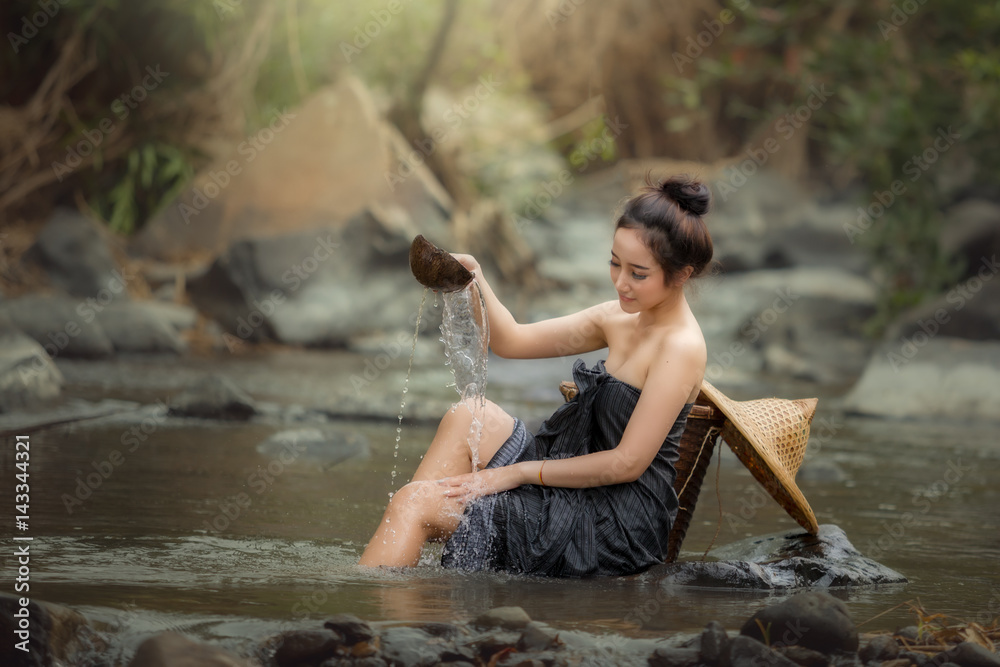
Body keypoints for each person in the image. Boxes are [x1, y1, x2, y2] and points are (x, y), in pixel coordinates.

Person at [358, 175, 714, 577]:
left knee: (413, 503)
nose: (620, 282)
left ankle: (373, 619)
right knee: (467, 418)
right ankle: (417, 556)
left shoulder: (681, 348)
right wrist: (474, 277)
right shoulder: (616, 318)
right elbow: (511, 341)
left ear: (682, 274)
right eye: (615, 263)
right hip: (565, 480)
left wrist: (515, 473)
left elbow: (626, 464)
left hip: (612, 522)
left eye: (638, 273)